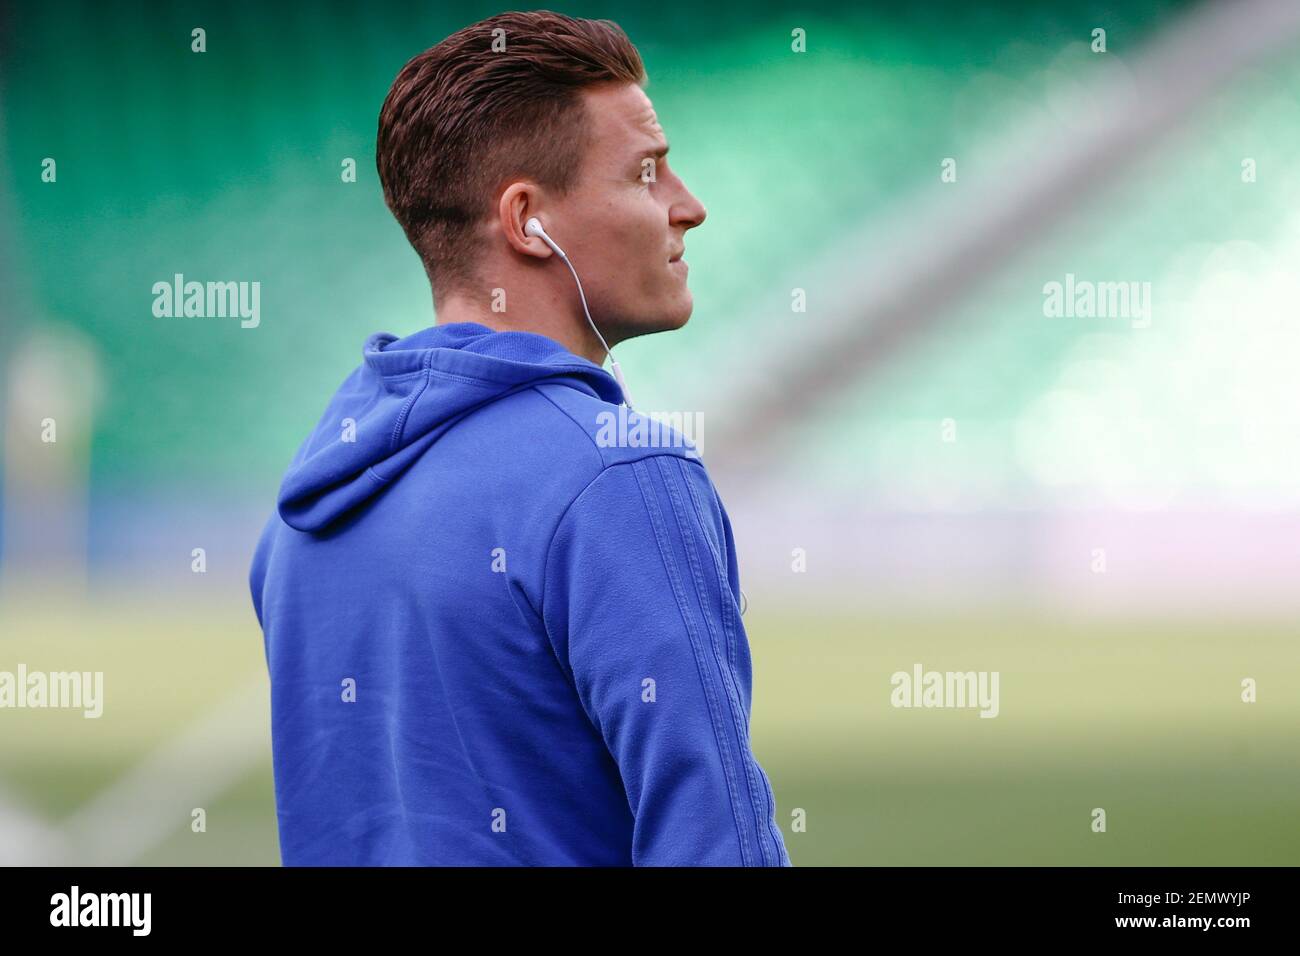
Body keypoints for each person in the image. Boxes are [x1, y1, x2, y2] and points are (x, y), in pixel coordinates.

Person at [249, 10, 791, 867]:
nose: (689, 206)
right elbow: (714, 844)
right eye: (646, 173)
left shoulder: (310, 502)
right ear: (527, 222)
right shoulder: (619, 477)